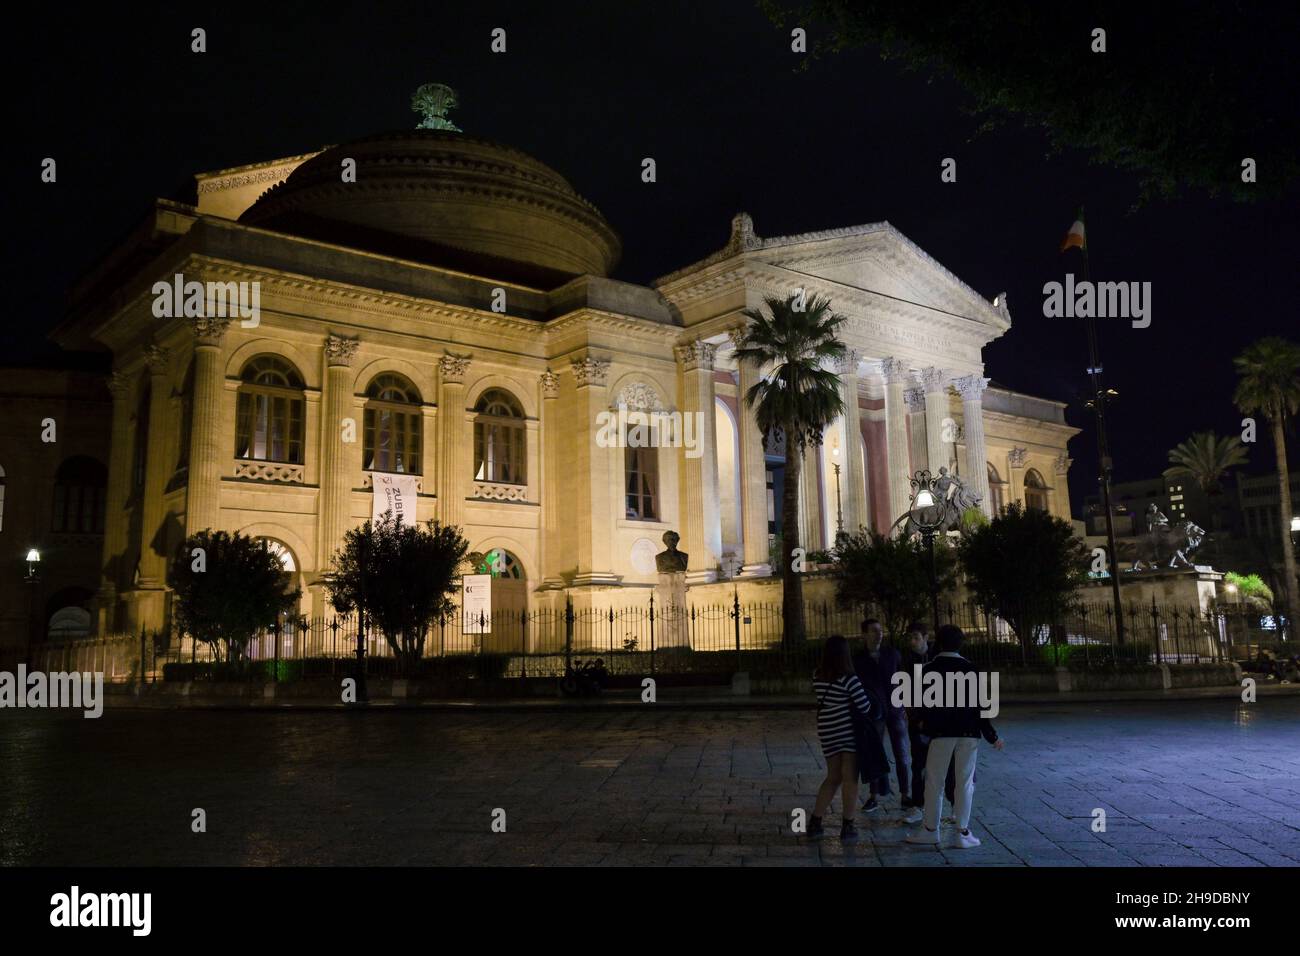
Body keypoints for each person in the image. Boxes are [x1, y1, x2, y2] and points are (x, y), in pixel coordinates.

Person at [905, 624, 1004, 849]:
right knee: (964, 782)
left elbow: (922, 705)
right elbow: (981, 708)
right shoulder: (972, 669)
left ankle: (931, 829)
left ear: (937, 643)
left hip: (940, 733)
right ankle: (962, 831)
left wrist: (921, 724)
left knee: (934, 781)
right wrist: (992, 736)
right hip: (969, 733)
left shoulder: (929, 670)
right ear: (961, 644)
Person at [810, 635, 873, 843]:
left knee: (832, 777)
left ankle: (815, 822)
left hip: (827, 730)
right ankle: (848, 825)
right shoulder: (849, 679)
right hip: (847, 731)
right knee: (850, 779)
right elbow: (864, 706)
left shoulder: (817, 675)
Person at [852, 618, 910, 814]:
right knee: (874, 754)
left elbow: (903, 678)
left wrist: (905, 704)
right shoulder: (859, 659)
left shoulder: (892, 654)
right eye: (874, 630)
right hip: (873, 712)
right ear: (864, 634)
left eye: (880, 630)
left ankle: (905, 794)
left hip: (895, 709)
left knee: (901, 754)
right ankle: (874, 795)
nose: (879, 633)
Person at [898, 621, 932, 824]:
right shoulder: (907, 661)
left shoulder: (937, 657)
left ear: (926, 638)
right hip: (917, 720)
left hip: (937, 718)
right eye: (910, 638)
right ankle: (918, 805)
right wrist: (914, 717)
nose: (912, 642)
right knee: (918, 763)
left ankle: (951, 805)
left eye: (916, 638)